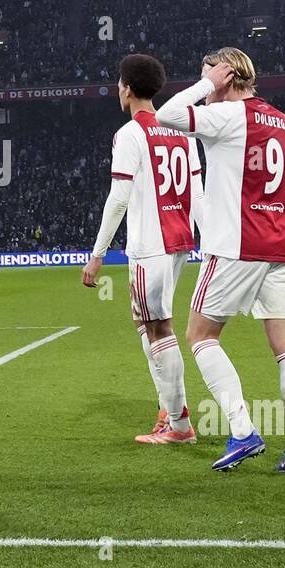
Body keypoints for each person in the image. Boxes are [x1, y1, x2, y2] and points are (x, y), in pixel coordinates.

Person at [155, 48, 285, 475]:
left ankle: (243, 431)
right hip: (280, 246)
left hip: (235, 246)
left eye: (207, 78)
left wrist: (208, 84)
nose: (204, 89)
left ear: (225, 78)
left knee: (201, 335)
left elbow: (167, 114)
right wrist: (284, 229)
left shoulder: (227, 116)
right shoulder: (283, 121)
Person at [82, 54, 201, 445]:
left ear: (128, 89)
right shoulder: (181, 132)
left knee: (157, 326)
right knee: (147, 323)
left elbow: (119, 199)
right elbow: (197, 192)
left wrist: (98, 253)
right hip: (180, 240)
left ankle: (179, 425)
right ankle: (168, 410)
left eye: (119, 83)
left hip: (150, 243)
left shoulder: (130, 134)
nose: (118, 89)